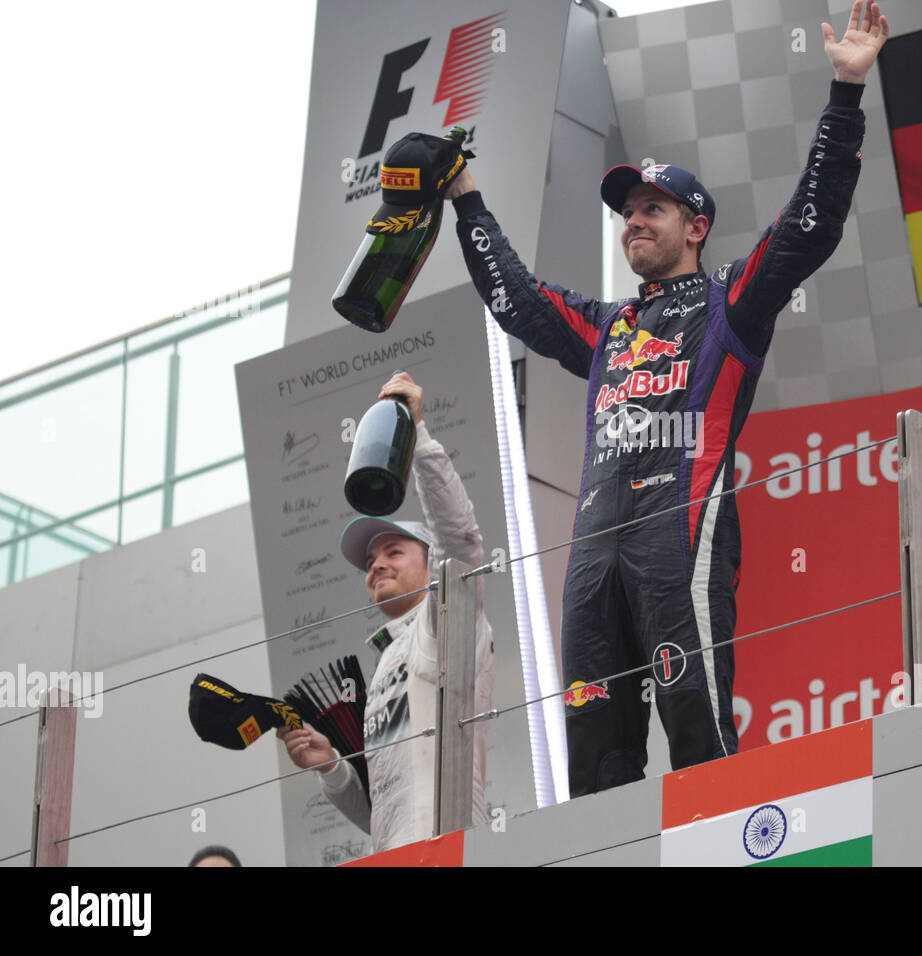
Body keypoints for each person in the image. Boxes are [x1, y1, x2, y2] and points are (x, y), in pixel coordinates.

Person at [446, 2, 888, 794]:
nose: (631, 223)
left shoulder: (730, 302)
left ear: (696, 227)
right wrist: (465, 195)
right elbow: (514, 300)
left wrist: (845, 94)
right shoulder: (608, 326)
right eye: (626, 212)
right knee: (592, 737)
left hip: (681, 537)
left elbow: (810, 228)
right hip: (592, 555)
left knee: (696, 719)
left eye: (651, 208)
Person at [277, 372, 494, 849]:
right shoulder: (382, 670)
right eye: (370, 560)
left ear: (430, 563)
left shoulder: (445, 620)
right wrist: (331, 768)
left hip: (452, 847)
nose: (377, 564)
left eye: (394, 551)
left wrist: (419, 438)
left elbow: (460, 542)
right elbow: (384, 818)